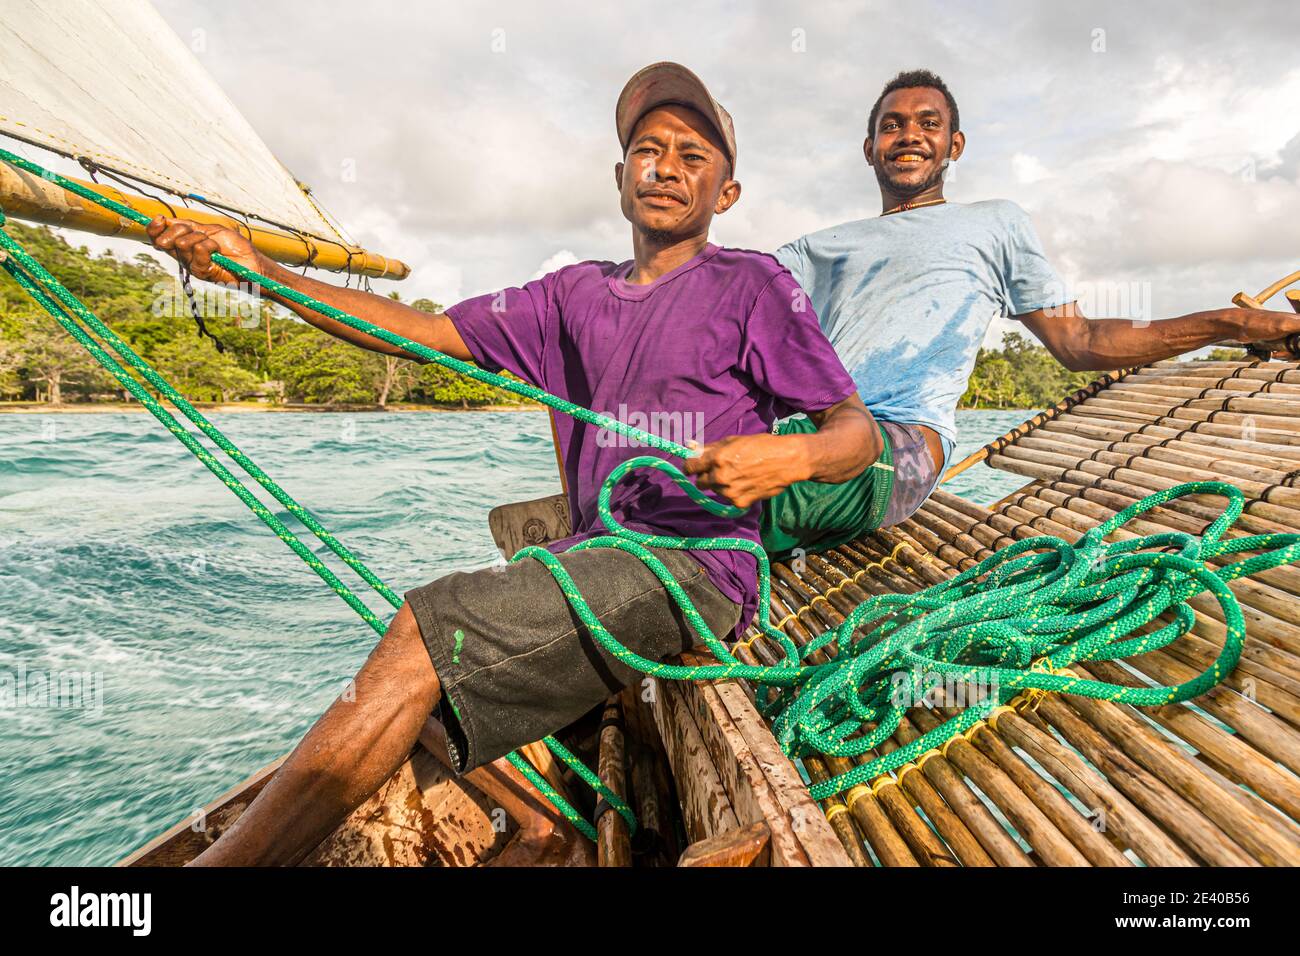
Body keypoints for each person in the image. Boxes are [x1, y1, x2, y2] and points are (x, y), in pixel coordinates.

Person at [145, 62, 878, 865]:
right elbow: (416, 334)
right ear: (620, 174)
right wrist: (263, 272)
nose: (666, 167)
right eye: (647, 148)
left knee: (428, 638)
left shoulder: (754, 285)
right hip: (595, 555)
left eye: (693, 156)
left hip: (697, 568)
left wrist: (789, 456)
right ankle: (538, 826)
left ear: (726, 194)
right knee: (416, 684)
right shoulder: (569, 295)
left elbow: (857, 434)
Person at [762, 68, 1300, 559]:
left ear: (955, 145)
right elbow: (723, 296)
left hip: (898, 444)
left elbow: (1080, 338)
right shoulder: (820, 246)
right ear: (869, 147)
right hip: (802, 426)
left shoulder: (995, 224)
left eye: (929, 124)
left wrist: (1235, 323)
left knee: (722, 492)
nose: (909, 136)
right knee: (691, 472)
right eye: (892, 125)